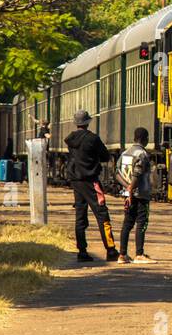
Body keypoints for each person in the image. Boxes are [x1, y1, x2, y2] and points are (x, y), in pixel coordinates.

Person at [65, 110, 117, 262]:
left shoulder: (70, 140)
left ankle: (82, 251)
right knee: (102, 214)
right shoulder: (93, 139)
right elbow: (105, 156)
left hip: (76, 181)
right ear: (88, 122)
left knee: (80, 216)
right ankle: (111, 249)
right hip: (90, 180)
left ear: (76, 124)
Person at [116, 127, 153, 265]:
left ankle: (122, 254)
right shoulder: (142, 154)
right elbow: (137, 173)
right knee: (142, 222)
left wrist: (127, 188)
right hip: (140, 194)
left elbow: (117, 173)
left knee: (127, 223)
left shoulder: (125, 153)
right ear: (145, 139)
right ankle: (139, 253)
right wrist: (132, 187)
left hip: (127, 194)